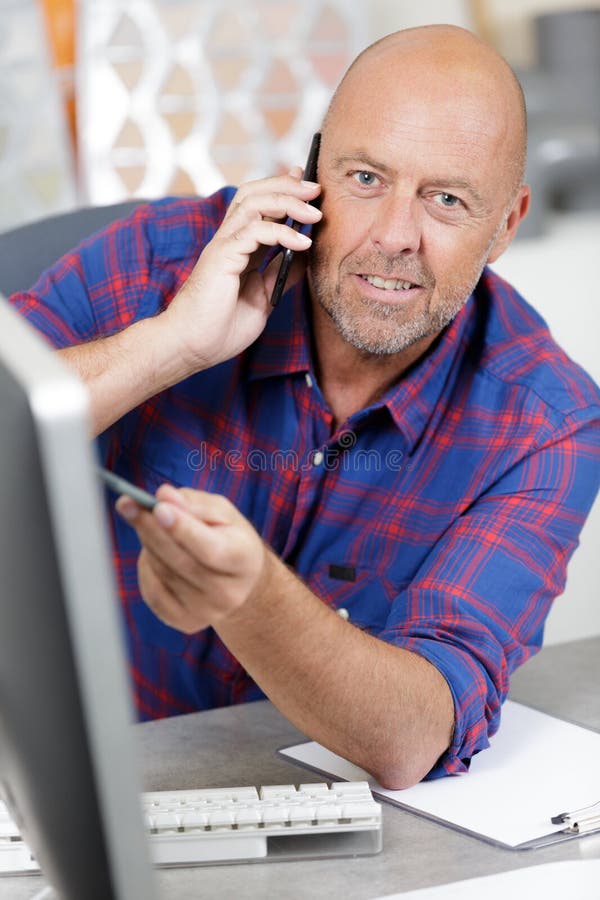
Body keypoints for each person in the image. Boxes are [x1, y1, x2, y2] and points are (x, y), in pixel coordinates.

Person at [10, 25, 599, 789]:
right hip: (74, 774)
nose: (395, 237)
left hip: (322, 820)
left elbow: (416, 737)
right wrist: (170, 347)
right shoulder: (158, 264)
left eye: (446, 199)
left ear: (506, 225)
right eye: (364, 178)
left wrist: (251, 597)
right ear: (313, 171)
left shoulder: (546, 424)